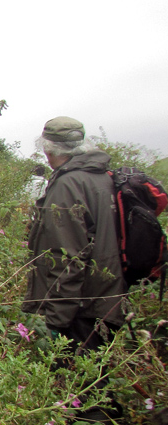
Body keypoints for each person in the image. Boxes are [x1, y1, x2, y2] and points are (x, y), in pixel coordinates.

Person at [22, 116, 126, 355]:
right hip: (106, 301)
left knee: (75, 385)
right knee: (92, 378)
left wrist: (56, 321)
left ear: (48, 149)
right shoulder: (102, 177)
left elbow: (67, 257)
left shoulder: (68, 185)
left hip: (82, 310)